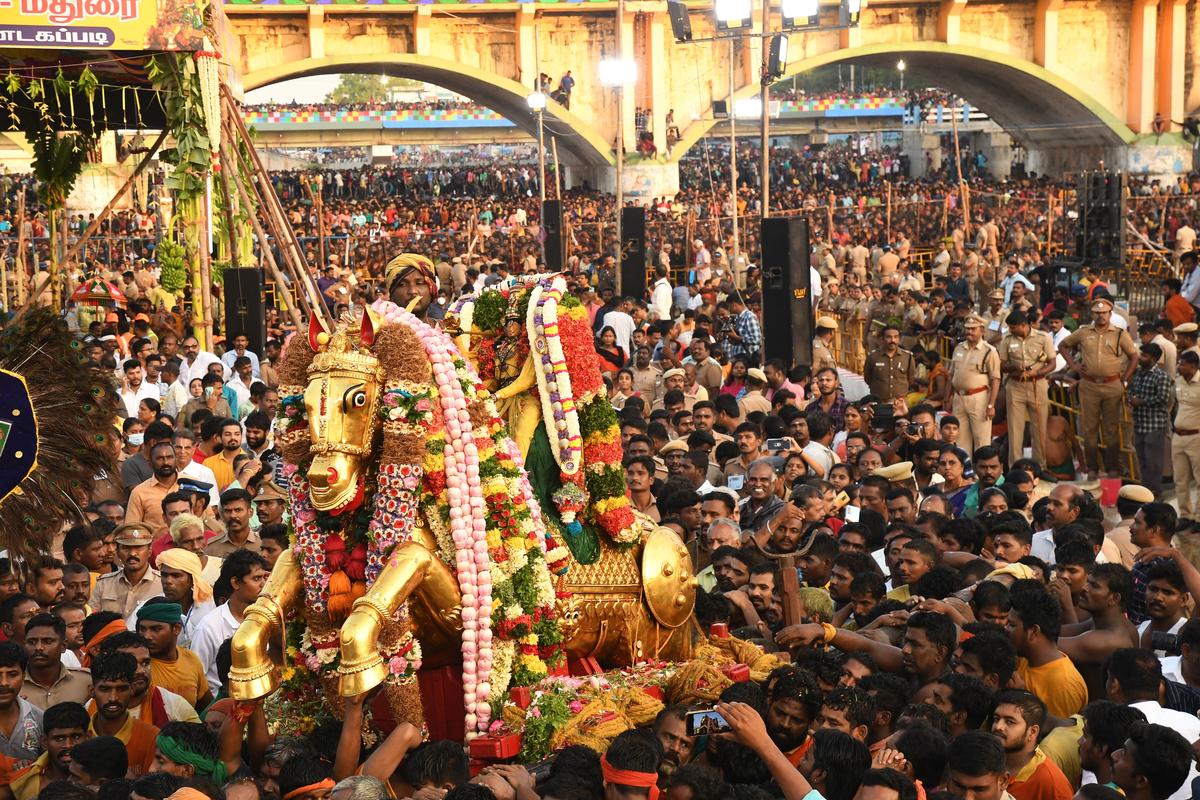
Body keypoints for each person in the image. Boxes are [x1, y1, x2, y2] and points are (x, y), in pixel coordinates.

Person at [1058, 297, 1139, 479]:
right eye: (1097, 313)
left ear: (1110, 314)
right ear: (1092, 314)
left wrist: (1125, 379)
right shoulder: (1083, 332)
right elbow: (1063, 345)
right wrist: (1074, 366)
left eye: (1104, 313)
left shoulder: (1119, 334)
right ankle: (1092, 468)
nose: (1101, 316)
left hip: (1112, 385)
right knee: (1089, 428)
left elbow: (1134, 357)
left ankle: (1112, 468)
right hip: (1089, 386)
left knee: (1112, 428)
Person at [191, 550, 269, 695]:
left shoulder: (267, 618)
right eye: (256, 578)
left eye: (265, 577)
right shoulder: (209, 627)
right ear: (235, 583)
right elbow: (195, 679)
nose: (263, 584)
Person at [87, 650, 158, 775]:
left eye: (121, 689)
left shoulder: (151, 738)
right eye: (105, 689)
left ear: (132, 689)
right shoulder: (77, 735)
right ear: (92, 691)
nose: (113, 698)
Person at [999, 311, 1055, 467]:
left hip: (1037, 385)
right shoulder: (1007, 340)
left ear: (1024, 325)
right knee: (1015, 429)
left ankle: (1040, 467)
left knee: (1039, 428)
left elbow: (1052, 363)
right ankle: (1015, 467)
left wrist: (1037, 372)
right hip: (1015, 385)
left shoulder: (1043, 338)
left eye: (1013, 327)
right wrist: (1014, 366)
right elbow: (1002, 365)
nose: (1010, 330)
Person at [136, 599, 211, 710]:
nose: (146, 636)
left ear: (176, 628)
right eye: (142, 629)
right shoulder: (137, 667)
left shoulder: (191, 659)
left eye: (155, 629)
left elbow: (206, 707)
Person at [8, 701, 90, 800]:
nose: (68, 745)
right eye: (59, 738)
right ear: (44, 742)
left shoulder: (102, 776)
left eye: (76, 737)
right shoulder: (24, 779)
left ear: (88, 737)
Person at [944, 315, 1000, 458]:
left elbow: (995, 379)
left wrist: (991, 405)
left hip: (979, 398)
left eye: (973, 329)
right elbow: (951, 375)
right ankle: (965, 473)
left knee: (981, 439)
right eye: (967, 329)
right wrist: (947, 398)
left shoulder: (989, 351)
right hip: (958, 397)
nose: (969, 332)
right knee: (960, 439)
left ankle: (983, 472)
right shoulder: (958, 348)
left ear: (982, 330)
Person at [89, 524, 163, 619]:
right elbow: (92, 621)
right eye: (126, 548)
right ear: (118, 552)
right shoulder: (103, 584)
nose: (132, 553)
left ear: (149, 551)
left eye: (139, 548)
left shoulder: (162, 583)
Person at [19, 614, 92, 710]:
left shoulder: (86, 682)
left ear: (63, 645)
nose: (38, 648)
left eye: (47, 641)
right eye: (32, 642)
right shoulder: (12, 684)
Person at [864, 326, 916, 402]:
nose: (892, 340)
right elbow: (868, 378)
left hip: (900, 402)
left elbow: (911, 379)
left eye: (895, 337)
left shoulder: (907, 357)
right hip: (879, 402)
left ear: (899, 339)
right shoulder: (873, 357)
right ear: (882, 338)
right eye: (888, 337)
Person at [383, 253, 437, 320]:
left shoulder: (447, 329)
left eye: (419, 283)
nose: (412, 291)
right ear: (391, 294)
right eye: (402, 284)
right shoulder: (377, 328)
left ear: (432, 290)